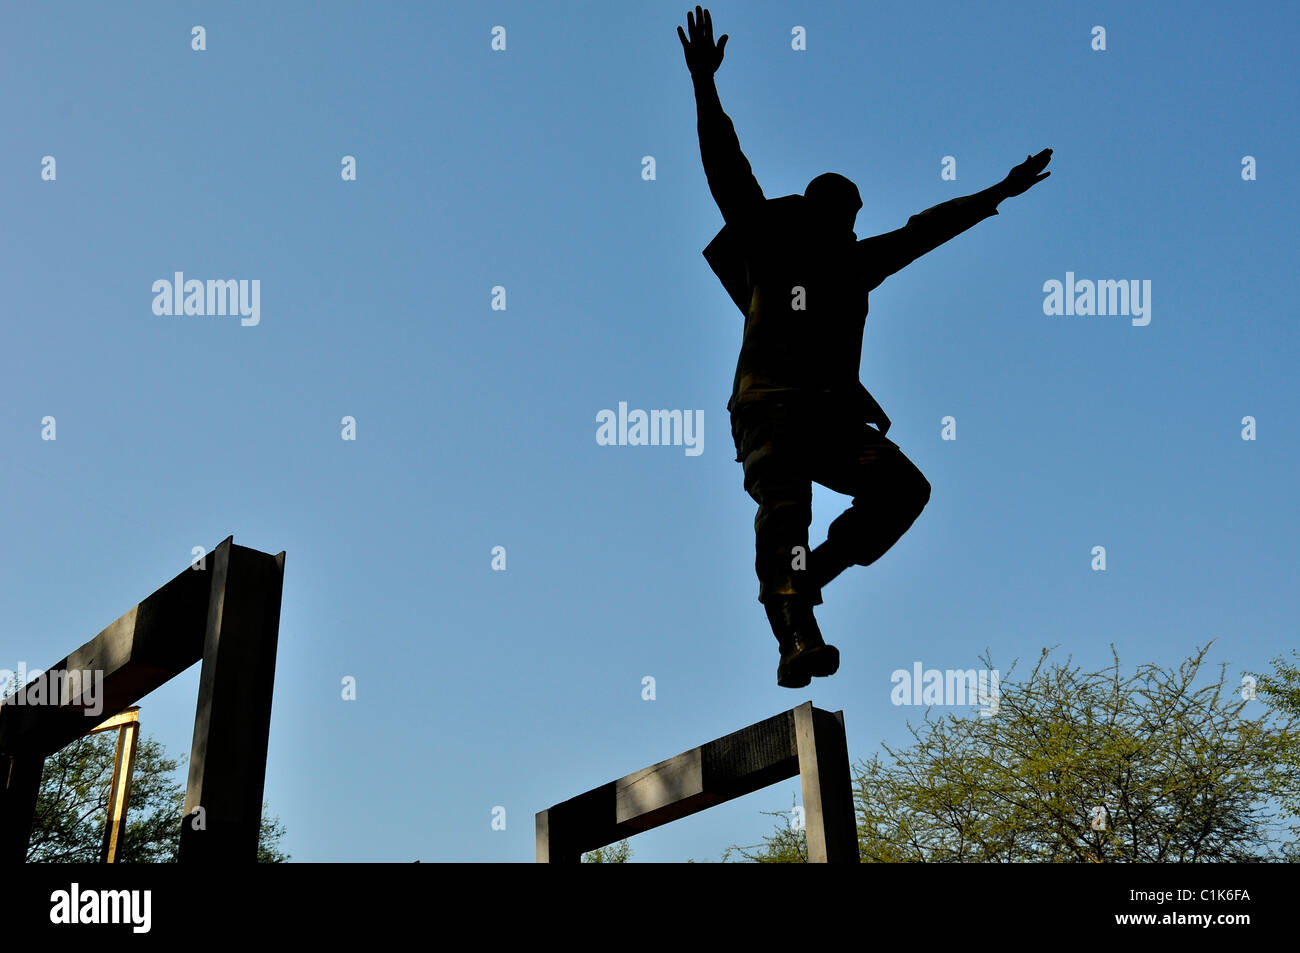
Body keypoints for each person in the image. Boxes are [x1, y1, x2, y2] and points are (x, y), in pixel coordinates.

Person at [678, 6, 1052, 687]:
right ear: (816, 211)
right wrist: (704, 83)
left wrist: (998, 191)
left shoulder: (856, 262)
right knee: (785, 515)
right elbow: (725, 163)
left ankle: (817, 570)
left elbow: (923, 229)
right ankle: (796, 634)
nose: (852, 227)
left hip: (829, 417)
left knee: (904, 487)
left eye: (855, 217)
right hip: (769, 409)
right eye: (841, 215)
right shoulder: (768, 240)